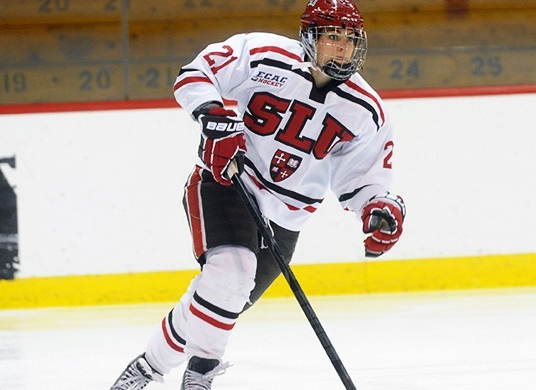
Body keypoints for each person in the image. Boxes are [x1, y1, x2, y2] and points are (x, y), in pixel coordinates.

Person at [111, 1, 405, 389]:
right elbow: (196, 73)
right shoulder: (265, 54)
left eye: (350, 40)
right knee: (230, 275)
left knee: (223, 300)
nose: (343, 49)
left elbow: (363, 179)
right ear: (309, 37)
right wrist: (212, 114)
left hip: (287, 217)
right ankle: (199, 377)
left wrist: (377, 207)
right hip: (229, 179)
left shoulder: (364, 109)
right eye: (333, 37)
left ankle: (147, 367)